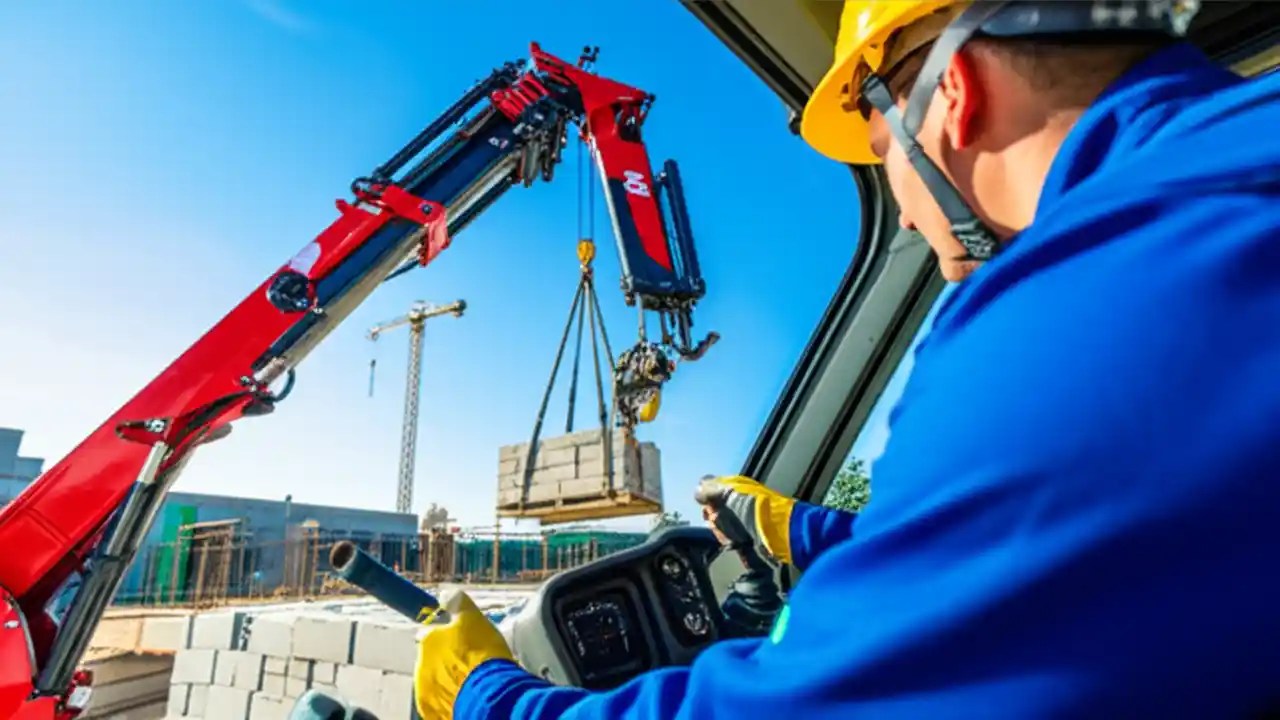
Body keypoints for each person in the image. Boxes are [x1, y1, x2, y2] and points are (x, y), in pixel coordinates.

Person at [412, 1, 1280, 717]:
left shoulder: (1070, 310)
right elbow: (1041, 549)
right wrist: (805, 531)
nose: (903, 217)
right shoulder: (1224, 185)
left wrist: (491, 695)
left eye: (879, 157)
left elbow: (820, 704)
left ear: (958, 93)